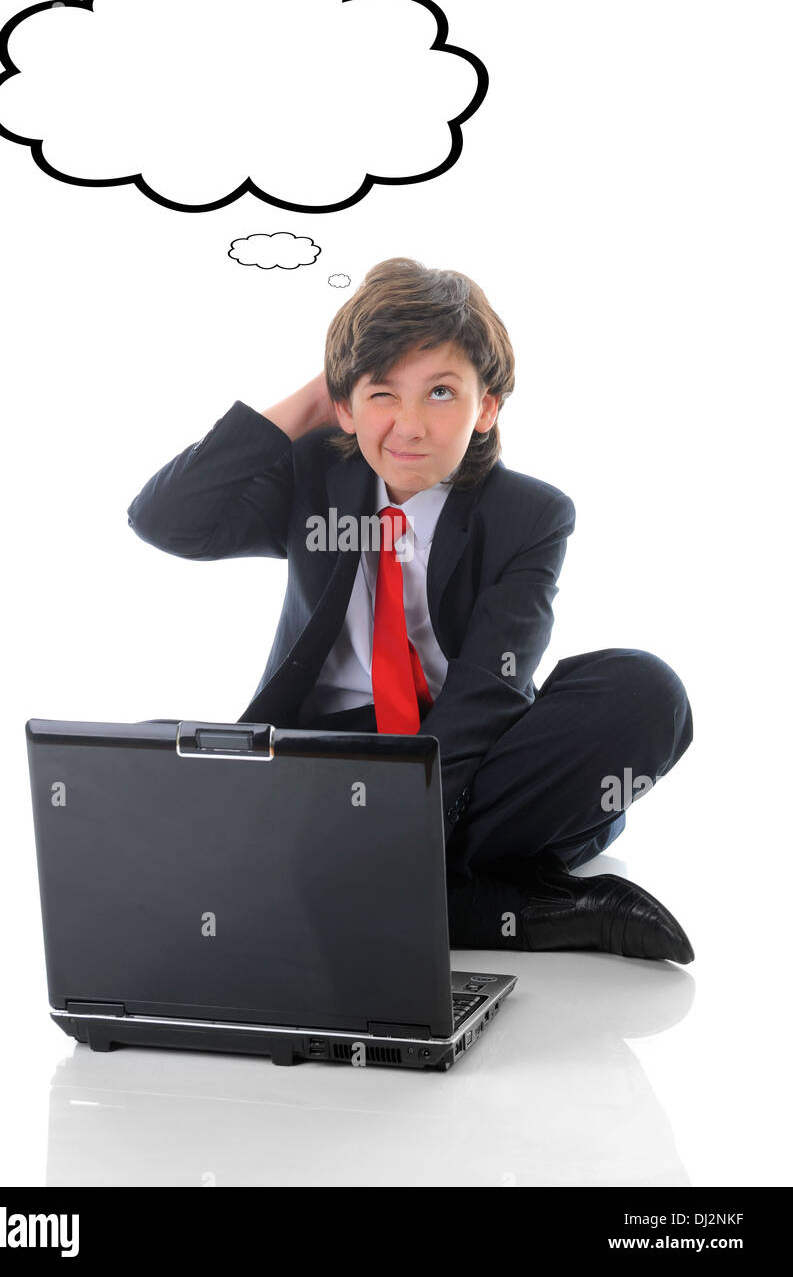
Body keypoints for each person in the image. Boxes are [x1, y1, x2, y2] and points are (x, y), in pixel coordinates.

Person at [127, 257, 694, 963]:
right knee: (145, 765)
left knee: (644, 691)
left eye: (441, 392)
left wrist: (401, 820)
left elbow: (488, 692)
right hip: (323, 755)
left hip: (459, 747)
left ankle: (346, 878)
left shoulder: (529, 515)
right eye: (382, 394)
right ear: (343, 404)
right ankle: (493, 903)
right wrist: (318, 399)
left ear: (486, 407)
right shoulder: (318, 479)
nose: (409, 425)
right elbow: (167, 520)